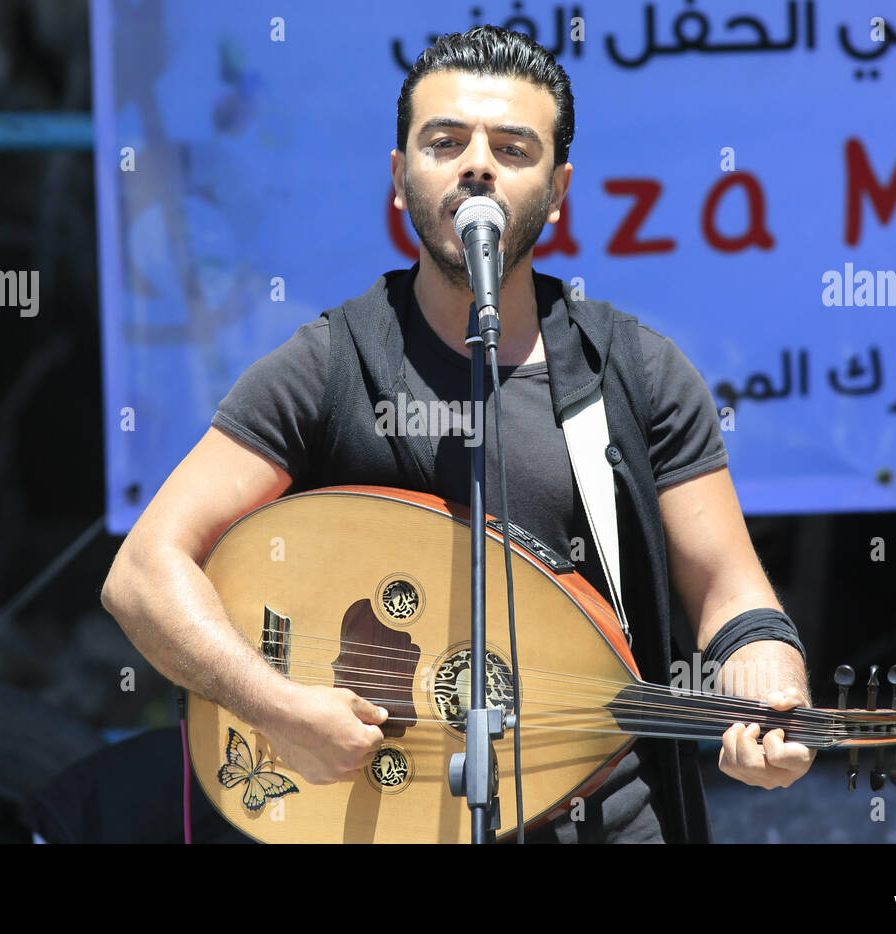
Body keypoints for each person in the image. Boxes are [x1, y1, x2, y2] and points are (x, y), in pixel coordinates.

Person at [101, 24, 813, 844]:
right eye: (445, 142)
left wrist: (768, 673)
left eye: (514, 147)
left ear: (558, 189)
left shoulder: (634, 374)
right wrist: (278, 707)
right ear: (400, 179)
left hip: (604, 819)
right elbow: (143, 571)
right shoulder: (330, 366)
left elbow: (731, 590)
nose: (477, 164)